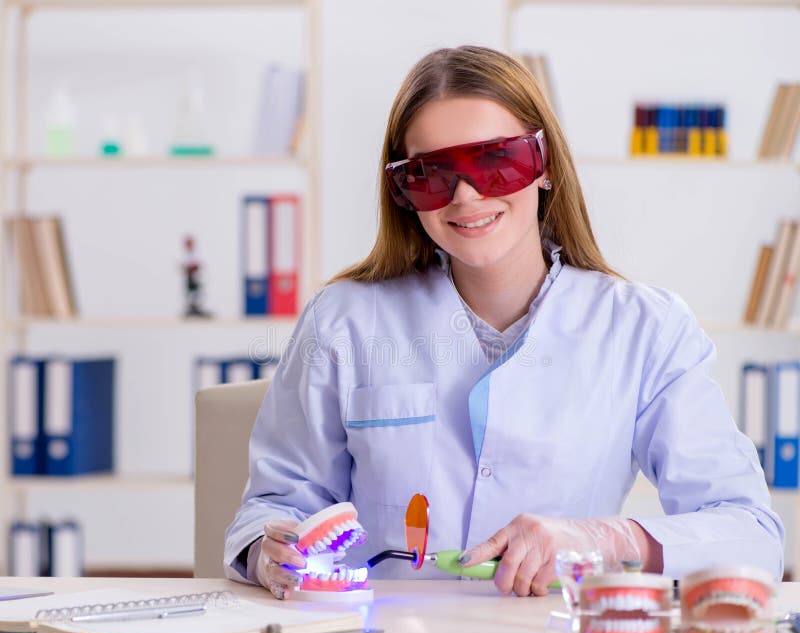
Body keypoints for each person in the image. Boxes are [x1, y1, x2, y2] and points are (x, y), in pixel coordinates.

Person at [224, 45, 784, 599]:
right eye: (430, 175)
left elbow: (752, 535)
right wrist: (269, 552)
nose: (466, 196)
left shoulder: (646, 328)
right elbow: (275, 506)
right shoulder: (344, 320)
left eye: (494, 161)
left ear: (544, 167)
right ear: (403, 193)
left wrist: (602, 539)